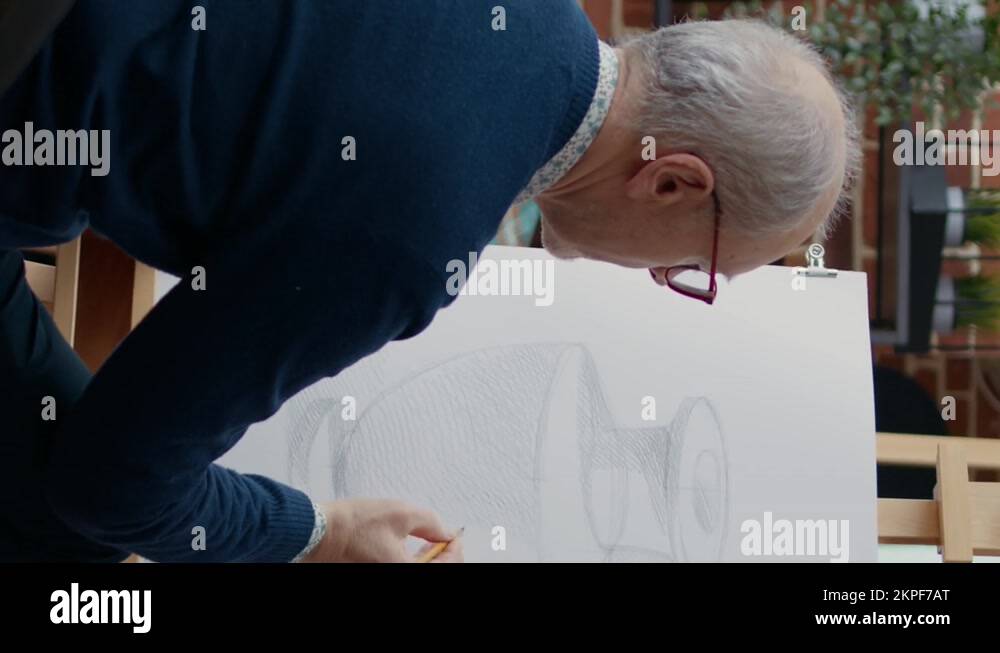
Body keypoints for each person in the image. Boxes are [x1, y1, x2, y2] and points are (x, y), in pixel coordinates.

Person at [0, 1, 857, 562]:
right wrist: (312, 532)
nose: (655, 278)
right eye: (689, 269)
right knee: (72, 542)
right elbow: (115, 486)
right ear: (672, 181)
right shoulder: (411, 234)